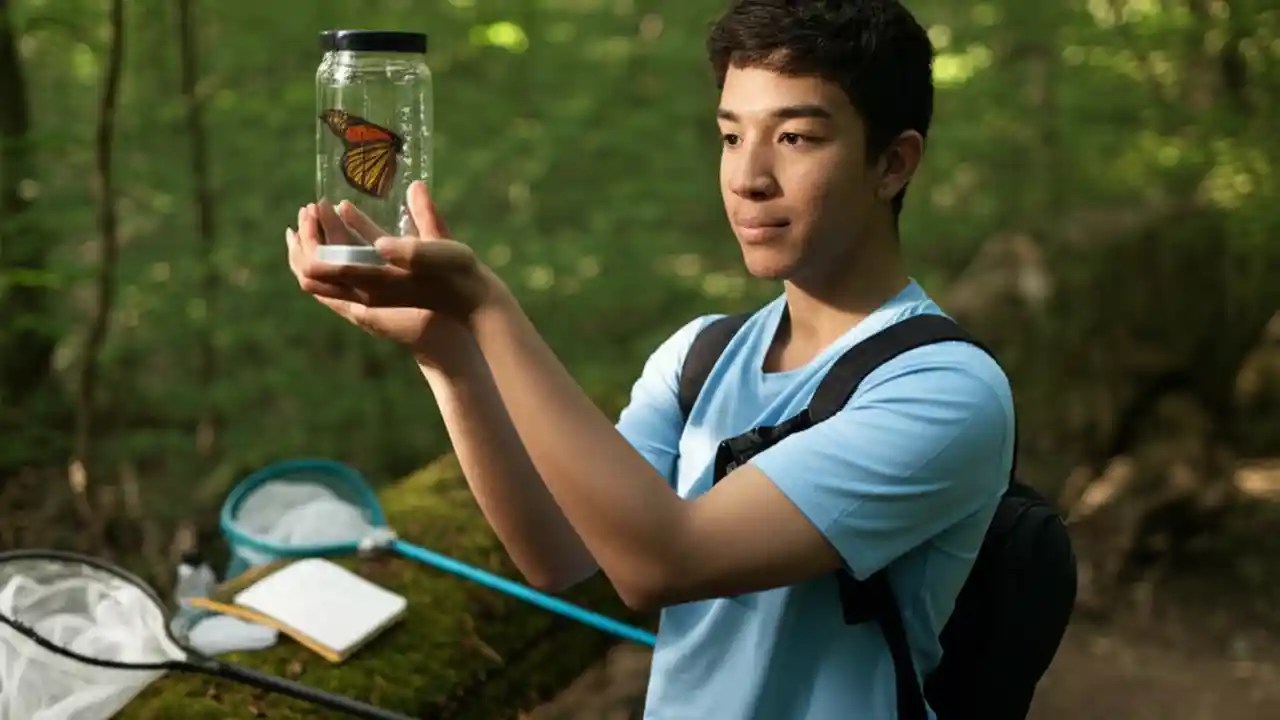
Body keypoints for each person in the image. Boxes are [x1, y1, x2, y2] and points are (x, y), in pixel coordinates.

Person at [284, 0, 1015, 717]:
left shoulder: (944, 389)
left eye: (794, 137)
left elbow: (661, 563)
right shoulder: (702, 356)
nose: (748, 176)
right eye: (731, 137)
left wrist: (488, 306)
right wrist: (449, 354)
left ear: (892, 163)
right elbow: (562, 552)